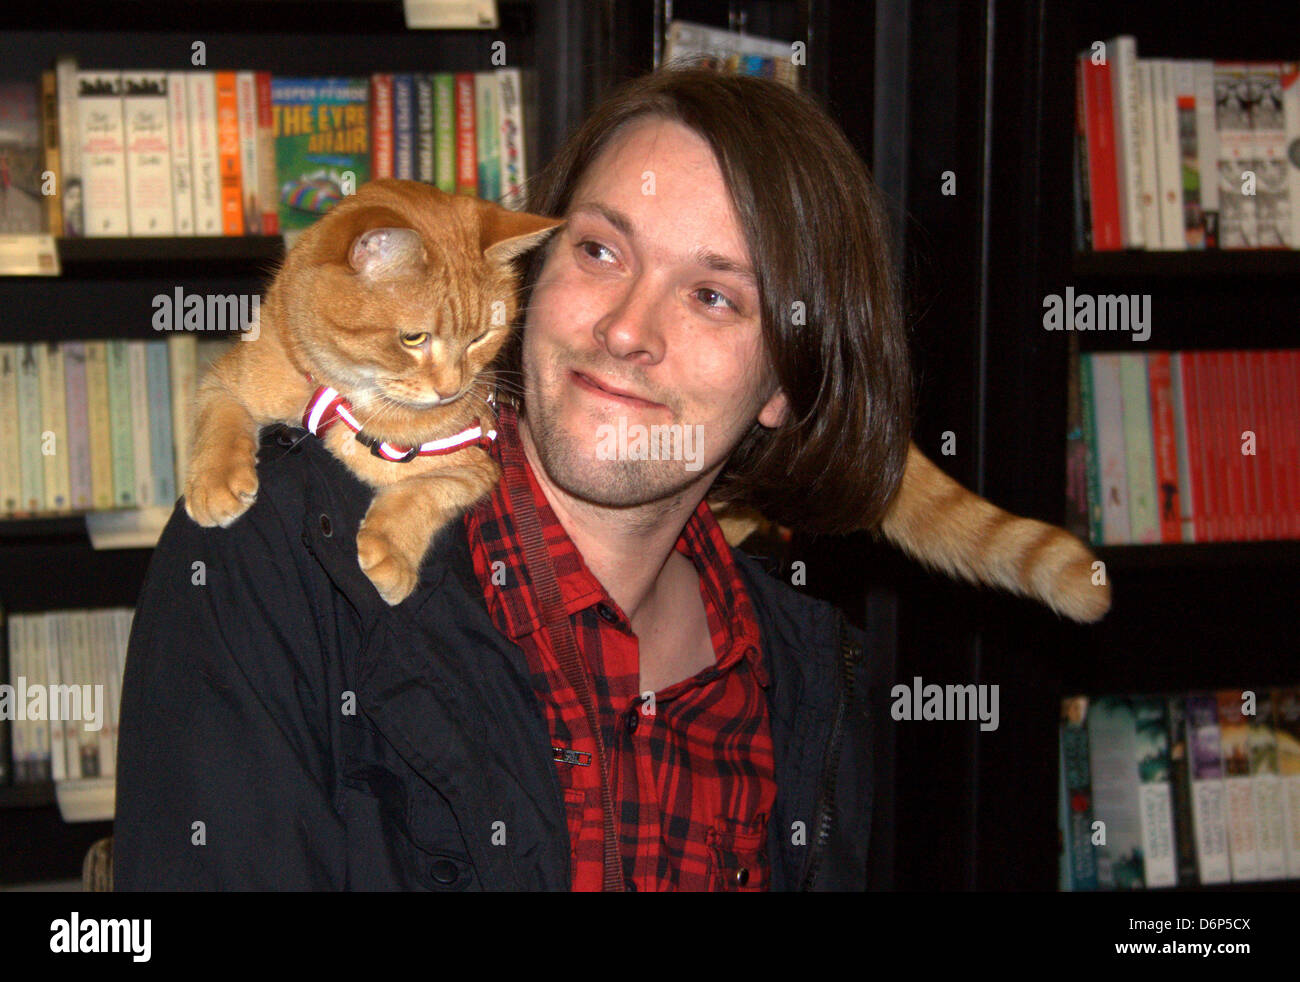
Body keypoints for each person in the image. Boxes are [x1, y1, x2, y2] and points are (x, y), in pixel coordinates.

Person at [113, 64, 912, 891]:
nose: (626, 329)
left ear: (787, 382)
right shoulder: (276, 560)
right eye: (600, 250)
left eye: (713, 296)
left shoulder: (808, 679)